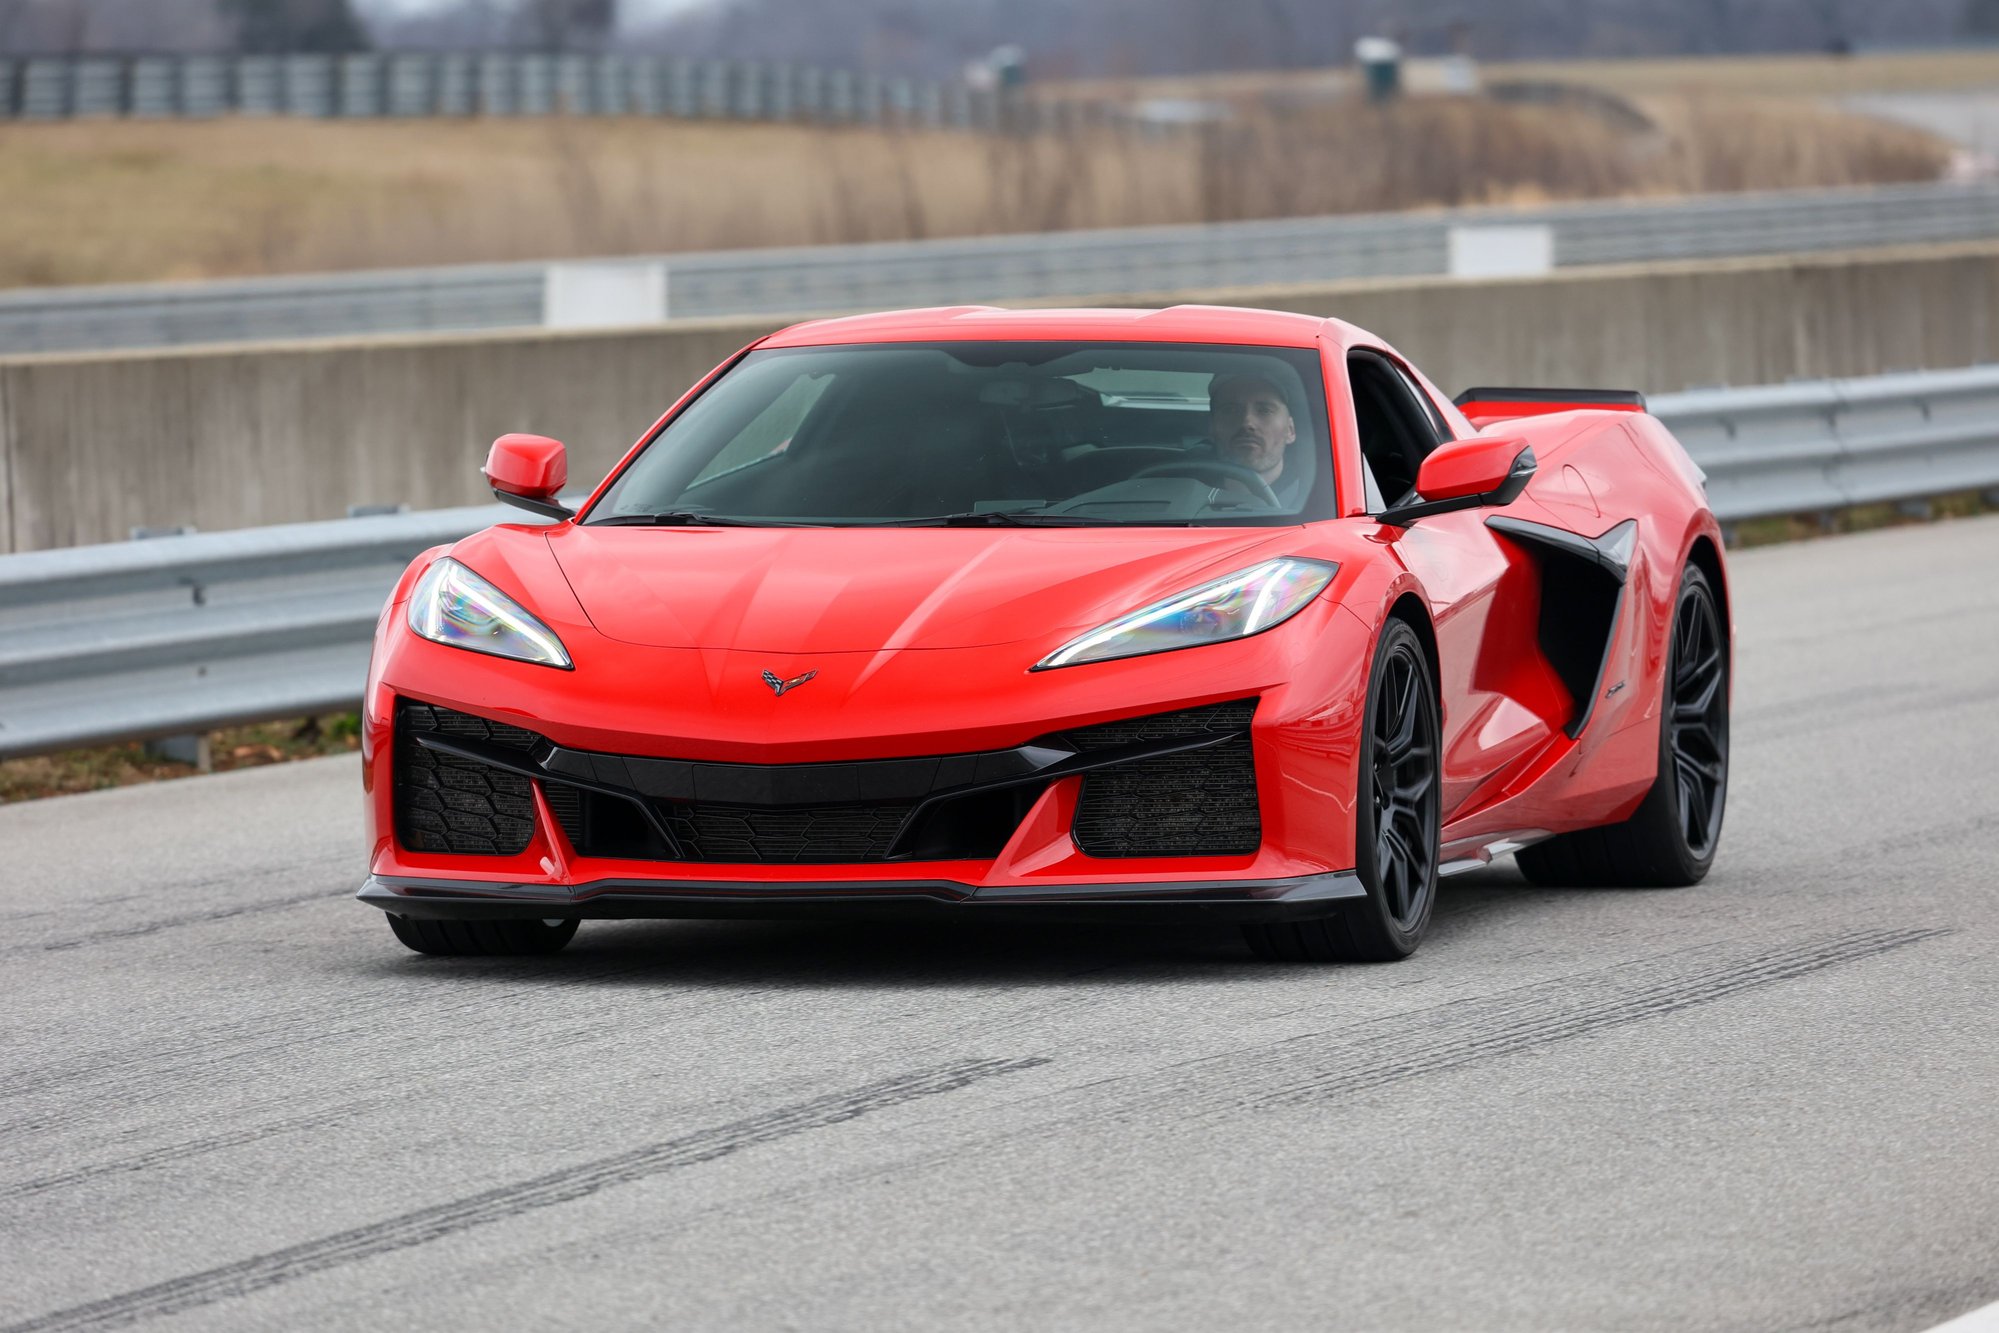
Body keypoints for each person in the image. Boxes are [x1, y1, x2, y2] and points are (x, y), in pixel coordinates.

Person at [1208, 372, 1310, 508]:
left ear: (1290, 430)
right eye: (1230, 410)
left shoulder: (1322, 501)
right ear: (1211, 428)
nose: (1247, 423)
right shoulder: (1180, 491)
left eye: (1265, 410)